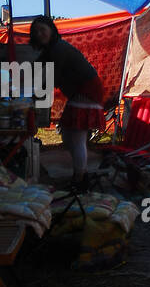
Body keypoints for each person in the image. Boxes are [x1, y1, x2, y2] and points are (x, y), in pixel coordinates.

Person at [25, 15, 107, 185]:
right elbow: (37, 67)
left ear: (52, 31)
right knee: (69, 136)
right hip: (82, 90)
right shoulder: (50, 50)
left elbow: (51, 77)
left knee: (75, 136)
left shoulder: (58, 49)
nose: (40, 34)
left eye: (43, 30)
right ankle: (81, 171)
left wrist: (32, 94)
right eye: (36, 31)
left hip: (87, 90)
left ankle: (80, 178)